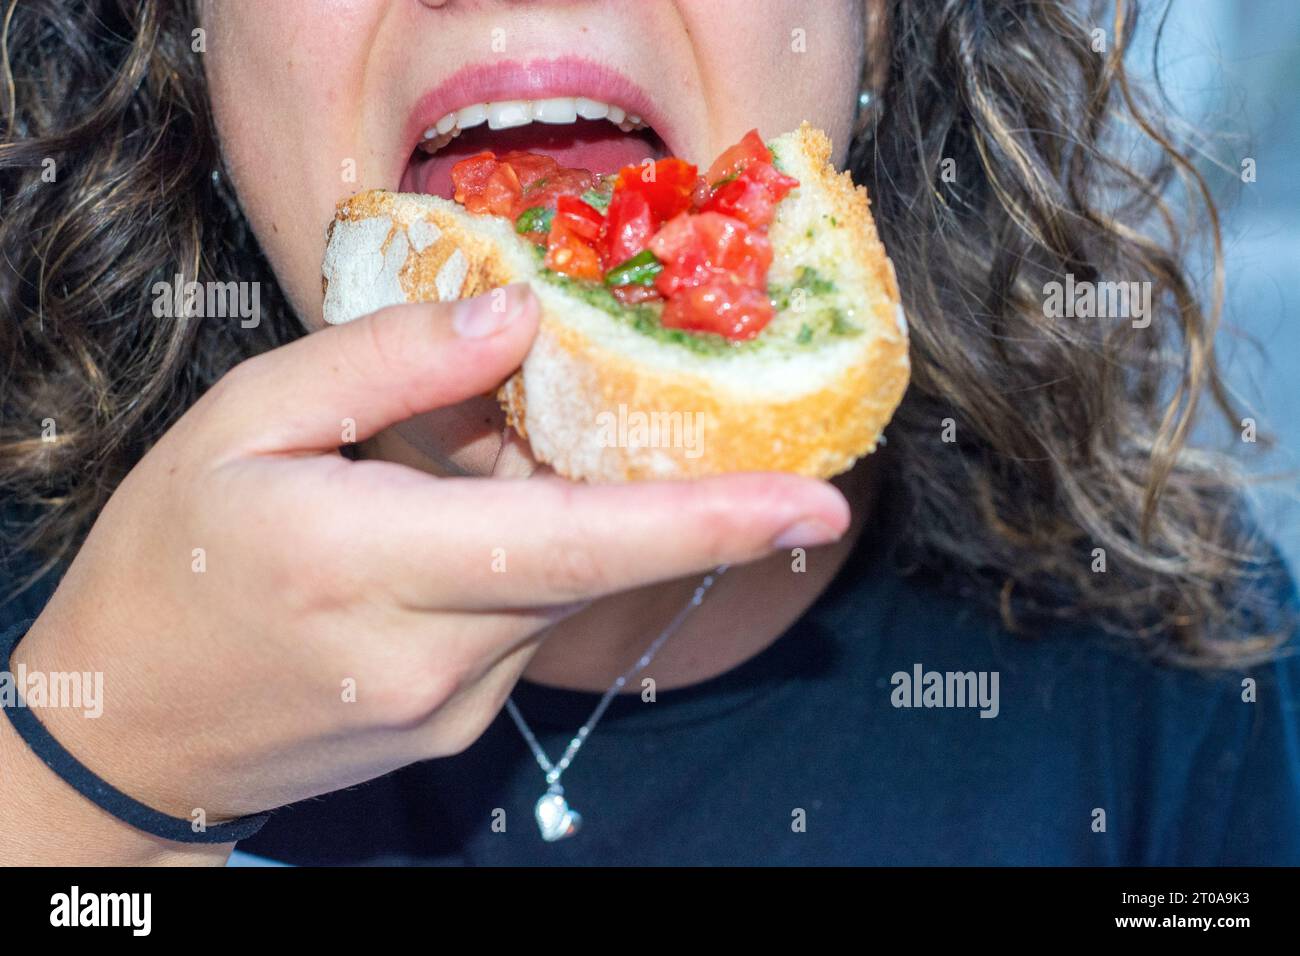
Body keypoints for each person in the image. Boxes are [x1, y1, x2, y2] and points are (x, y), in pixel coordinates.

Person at [0, 0, 1295, 866]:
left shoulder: (1179, 652)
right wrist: (92, 776)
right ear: (191, 49)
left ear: (880, 30)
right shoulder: (31, 596)